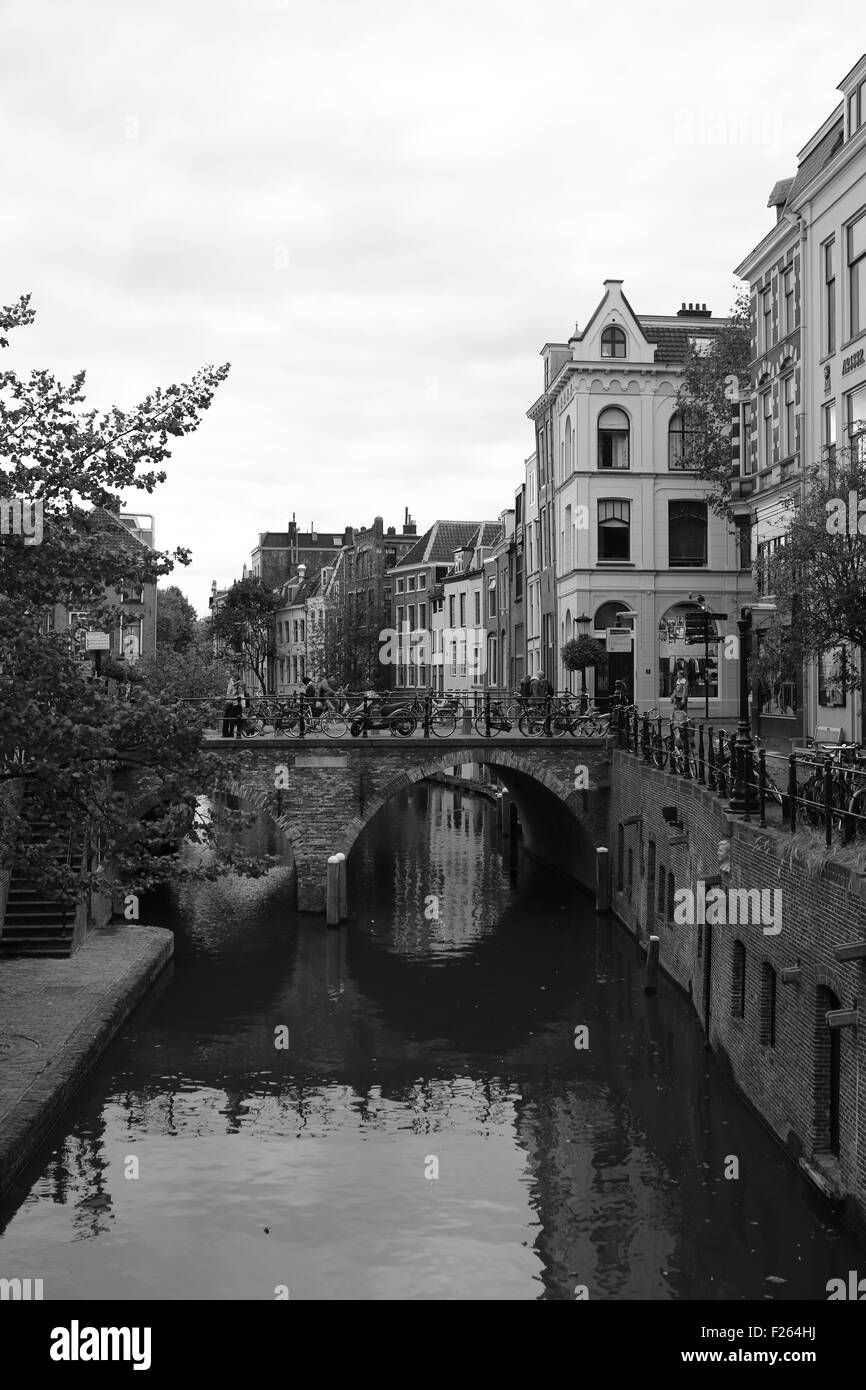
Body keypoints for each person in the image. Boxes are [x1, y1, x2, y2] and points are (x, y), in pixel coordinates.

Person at [223, 670, 243, 738]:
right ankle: (231, 734)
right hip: (233, 702)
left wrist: (230, 698)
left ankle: (235, 734)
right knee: (232, 718)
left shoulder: (236, 685)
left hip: (235, 703)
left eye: (227, 673)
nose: (225, 674)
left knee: (234, 718)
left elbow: (238, 694)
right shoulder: (233, 683)